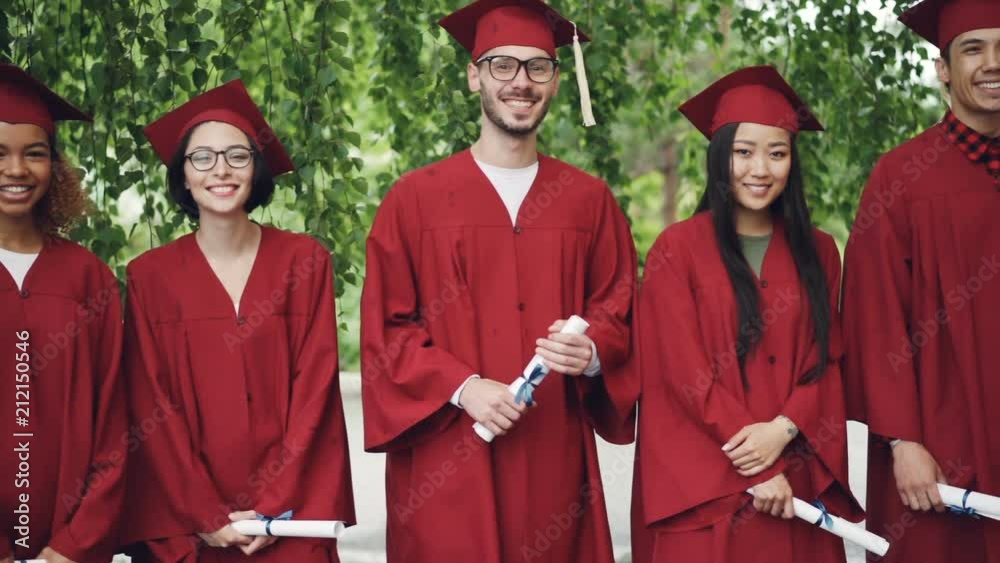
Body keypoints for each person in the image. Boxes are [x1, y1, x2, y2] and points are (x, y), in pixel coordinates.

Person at [360, 1, 638, 561]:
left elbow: (620, 308)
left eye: (537, 67)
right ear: (474, 75)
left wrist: (591, 351)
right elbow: (387, 330)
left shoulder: (588, 202)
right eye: (502, 66)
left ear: (557, 81)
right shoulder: (414, 200)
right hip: (445, 461)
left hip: (552, 462)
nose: (521, 82)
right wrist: (465, 387)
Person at [631, 66, 862, 563]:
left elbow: (828, 360)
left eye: (777, 153)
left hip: (795, 479)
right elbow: (680, 373)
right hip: (707, 488)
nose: (761, 169)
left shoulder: (819, 252)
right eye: (744, 152)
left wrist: (783, 429)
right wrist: (757, 467)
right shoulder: (678, 250)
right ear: (720, 157)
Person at [121, 80, 355, 562]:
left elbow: (315, 391)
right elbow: (151, 404)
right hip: (187, 523)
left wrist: (272, 511)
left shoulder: (304, 262)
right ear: (183, 176)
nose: (221, 170)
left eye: (237, 156)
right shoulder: (151, 276)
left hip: (290, 514)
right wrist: (204, 515)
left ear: (257, 169)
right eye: (202, 158)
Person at [842, 0, 1000, 561]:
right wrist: (902, 441)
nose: (992, 63)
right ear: (942, 68)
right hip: (939, 449)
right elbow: (873, 319)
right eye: (973, 49)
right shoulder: (901, 178)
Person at [0, 63, 126, 563]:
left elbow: (116, 422)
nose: (16, 170)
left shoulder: (87, 277)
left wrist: (72, 547)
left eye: (35, 154)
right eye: (0, 153)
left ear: (55, 167)